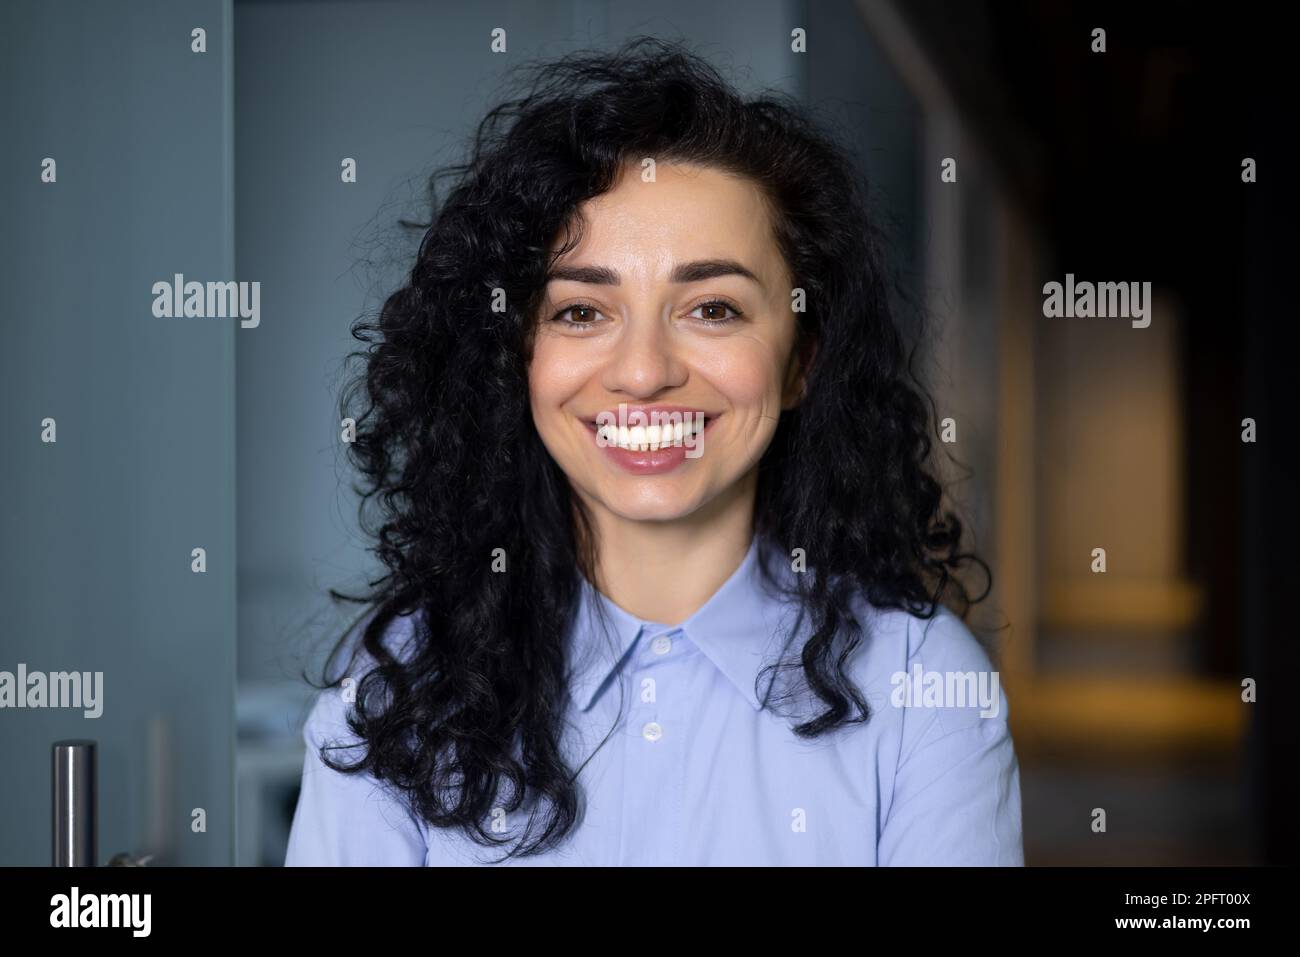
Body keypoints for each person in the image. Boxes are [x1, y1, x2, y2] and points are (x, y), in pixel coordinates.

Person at [285, 37, 1023, 866]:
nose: (642, 373)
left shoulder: (926, 688)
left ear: (801, 360)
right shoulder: (395, 689)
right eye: (580, 312)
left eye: (712, 309)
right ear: (517, 355)